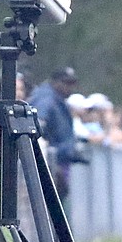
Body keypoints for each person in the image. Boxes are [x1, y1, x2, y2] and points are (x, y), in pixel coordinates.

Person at [27, 67, 82, 199]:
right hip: (51, 163)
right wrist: (49, 161)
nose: (70, 87)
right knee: (52, 207)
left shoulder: (57, 99)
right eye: (66, 83)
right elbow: (36, 128)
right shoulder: (47, 100)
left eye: (72, 83)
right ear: (55, 82)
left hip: (58, 160)